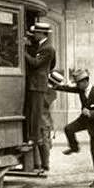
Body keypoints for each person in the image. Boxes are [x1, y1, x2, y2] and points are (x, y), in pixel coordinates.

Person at [51, 68, 94, 188]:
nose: (77, 86)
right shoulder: (80, 89)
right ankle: (74, 147)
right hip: (84, 120)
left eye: (78, 83)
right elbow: (68, 88)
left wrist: (92, 113)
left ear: (85, 81)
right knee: (68, 129)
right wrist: (54, 87)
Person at [23, 22, 57, 173]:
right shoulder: (42, 47)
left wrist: (22, 51)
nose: (34, 35)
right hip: (36, 84)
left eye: (36, 32)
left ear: (42, 34)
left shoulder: (48, 48)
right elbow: (51, 65)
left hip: (38, 85)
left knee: (37, 119)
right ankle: (40, 161)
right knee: (35, 117)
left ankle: (43, 162)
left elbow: (36, 63)